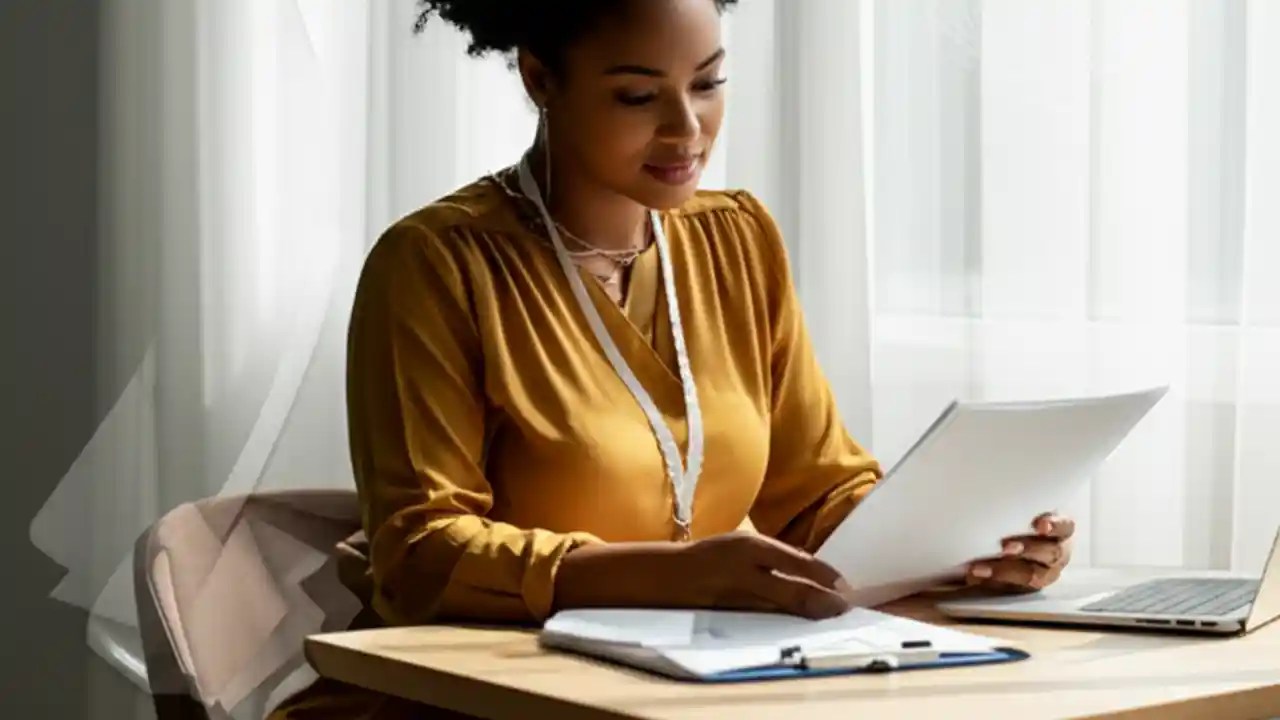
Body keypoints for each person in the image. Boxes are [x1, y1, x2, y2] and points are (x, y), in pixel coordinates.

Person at [270, 1, 1075, 717]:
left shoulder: (737, 240)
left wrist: (968, 549)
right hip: (466, 700)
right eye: (637, 95)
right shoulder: (438, 264)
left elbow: (819, 490)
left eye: (709, 84)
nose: (687, 129)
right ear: (541, 77)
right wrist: (668, 574)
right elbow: (419, 553)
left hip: (694, 687)